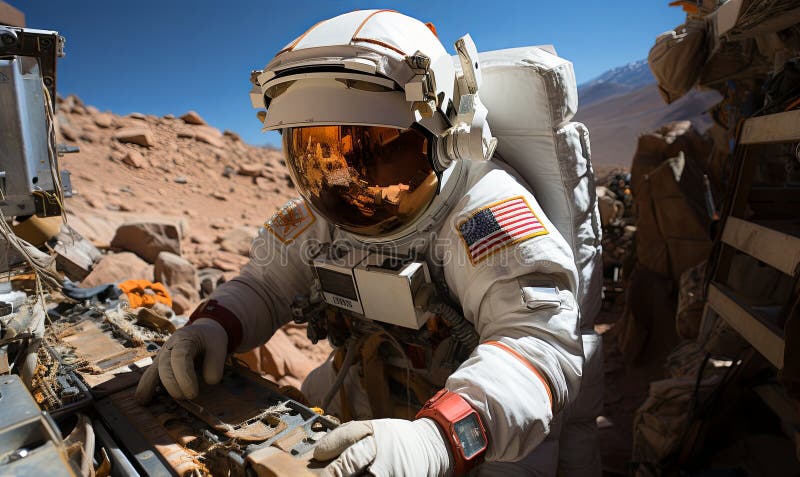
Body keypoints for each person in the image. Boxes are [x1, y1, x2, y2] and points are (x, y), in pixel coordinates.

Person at [137, 10, 601, 476]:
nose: (346, 180)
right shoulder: (328, 211)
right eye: (319, 154)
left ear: (447, 137)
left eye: (373, 150)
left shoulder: (483, 213)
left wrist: (438, 439)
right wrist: (213, 328)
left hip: (481, 422)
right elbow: (264, 285)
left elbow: (537, 344)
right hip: (368, 390)